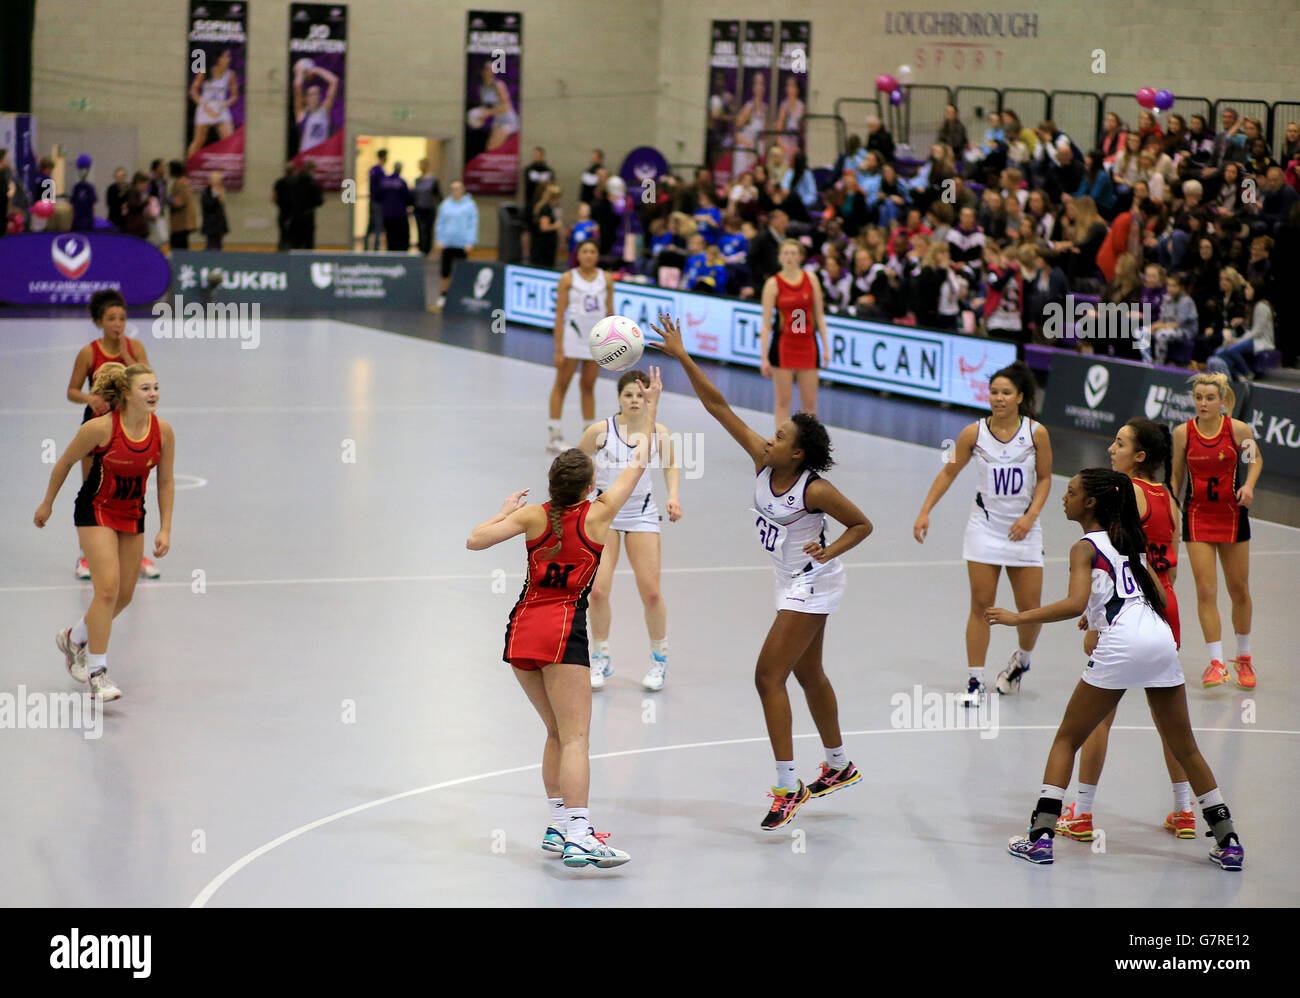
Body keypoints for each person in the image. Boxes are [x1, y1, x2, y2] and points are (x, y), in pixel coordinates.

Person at [650, 313, 873, 829]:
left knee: (767, 675)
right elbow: (717, 405)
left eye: (779, 437)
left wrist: (830, 550)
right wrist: (682, 355)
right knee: (808, 672)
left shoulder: (813, 489)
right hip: (788, 579)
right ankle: (839, 766)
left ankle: (786, 785)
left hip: (812, 581)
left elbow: (863, 524)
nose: (768, 439)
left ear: (798, 452)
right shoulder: (762, 462)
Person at [992, 469, 1243, 871]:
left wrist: (1017, 617)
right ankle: (1228, 840)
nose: (1064, 497)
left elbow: (1074, 603)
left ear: (1090, 503)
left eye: (1070, 492)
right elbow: (1158, 594)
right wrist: (1102, 608)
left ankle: (1040, 838)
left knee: (1067, 739)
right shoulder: (1132, 541)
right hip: (1159, 640)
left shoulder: (1083, 547)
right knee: (1186, 747)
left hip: (1122, 644)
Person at [465, 369, 664, 869]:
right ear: (590, 485)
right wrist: (653, 409)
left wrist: (501, 510)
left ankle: (556, 828)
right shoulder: (597, 516)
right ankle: (579, 833)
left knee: (555, 733)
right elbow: (639, 463)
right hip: (561, 634)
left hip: (521, 634)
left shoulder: (533, 515)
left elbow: (475, 540)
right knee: (575, 738)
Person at [1057, 420, 1195, 842]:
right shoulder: (1167, 496)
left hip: (1128, 604)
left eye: (1119, 443)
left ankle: (1080, 813)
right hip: (1163, 603)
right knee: (1170, 723)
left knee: (1098, 716)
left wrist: (1102, 603)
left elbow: (1116, 550)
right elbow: (1168, 562)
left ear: (1138, 456)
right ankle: (1185, 811)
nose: (1111, 448)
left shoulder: (1124, 491)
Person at [38, 360, 175, 703]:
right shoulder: (100, 428)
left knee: (125, 594)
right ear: (127, 394)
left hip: (132, 514)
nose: (153, 393)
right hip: (95, 511)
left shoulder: (164, 431)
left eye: (156, 387)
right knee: (108, 589)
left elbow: (166, 480)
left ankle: (74, 636)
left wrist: (166, 529)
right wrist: (47, 504)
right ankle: (97, 672)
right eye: (145, 388)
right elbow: (65, 462)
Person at [913, 363, 1051, 703]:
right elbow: (949, 471)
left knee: (1030, 609)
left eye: (1006, 393)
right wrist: (925, 510)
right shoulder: (973, 434)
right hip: (985, 529)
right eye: (994, 392)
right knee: (981, 605)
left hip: (1024, 530)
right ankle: (975, 681)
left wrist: (1031, 515)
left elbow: (1046, 478)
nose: (999, 399)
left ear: (1020, 397)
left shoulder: (1036, 434)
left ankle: (1021, 662)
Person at [577, 369, 682, 692]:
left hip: (642, 515)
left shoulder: (657, 432)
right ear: (619, 398)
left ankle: (659, 660)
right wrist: (582, 500)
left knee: (651, 592)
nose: (635, 400)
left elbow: (670, 465)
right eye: (629, 395)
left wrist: (674, 497)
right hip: (604, 515)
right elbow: (578, 463)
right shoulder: (600, 431)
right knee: (597, 591)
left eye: (640, 395)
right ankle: (601, 656)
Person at [1171, 372, 1261, 689]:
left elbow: (1255, 459)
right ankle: (1216, 663)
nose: (1203, 403)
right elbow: (1176, 477)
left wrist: (1248, 486)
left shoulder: (1237, 430)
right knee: (1205, 590)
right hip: (1197, 516)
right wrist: (1170, 510)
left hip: (1233, 516)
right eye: (1198, 398)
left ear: (1223, 401)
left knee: (1239, 591)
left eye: (1210, 398)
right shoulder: (1184, 433)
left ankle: (1245, 658)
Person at [66, 290, 156, 580]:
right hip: (98, 428)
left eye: (122, 318)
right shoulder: (89, 353)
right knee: (92, 493)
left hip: (130, 430)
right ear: (99, 322)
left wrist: (129, 356)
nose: (118, 324)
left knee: (132, 492)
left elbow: (148, 383)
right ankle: (85, 557)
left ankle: (135, 553)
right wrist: (90, 399)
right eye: (111, 319)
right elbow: (72, 391)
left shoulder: (136, 347)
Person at [759, 238, 829, 428]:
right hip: (784, 345)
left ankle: (810, 446)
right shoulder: (773, 284)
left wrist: (826, 347)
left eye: (793, 253)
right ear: (780, 257)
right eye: (786, 253)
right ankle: (781, 442)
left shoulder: (811, 280)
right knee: (783, 400)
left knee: (809, 404)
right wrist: (764, 357)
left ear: (800, 257)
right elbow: (766, 324)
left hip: (807, 345)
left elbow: (820, 317)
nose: (789, 257)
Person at [547, 240, 609, 452]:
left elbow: (610, 313)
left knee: (588, 385)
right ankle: (555, 435)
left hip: (596, 340)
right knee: (562, 384)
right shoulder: (568, 278)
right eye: (585, 251)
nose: (589, 255)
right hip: (573, 337)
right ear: (578, 255)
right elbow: (559, 315)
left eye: (593, 251)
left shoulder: (606, 279)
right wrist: (559, 348)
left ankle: (589, 434)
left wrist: (611, 343)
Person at [1210, 280, 1273, 380]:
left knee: (1230, 349)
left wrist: (1237, 341)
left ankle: (1247, 372)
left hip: (1261, 341)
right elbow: (1251, 328)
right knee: (1219, 352)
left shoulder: (1262, 307)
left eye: (1248, 288)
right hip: (1253, 339)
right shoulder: (1253, 306)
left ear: (1255, 291)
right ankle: (1238, 375)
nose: (1246, 291)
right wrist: (1242, 322)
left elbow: (1257, 332)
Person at [187, 49, 239, 162]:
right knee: (198, 142)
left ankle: (228, 168)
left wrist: (225, 104)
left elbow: (235, 96)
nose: (229, 59)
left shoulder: (230, 75)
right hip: (205, 107)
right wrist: (204, 105)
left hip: (221, 107)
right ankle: (189, 166)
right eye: (226, 56)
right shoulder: (205, 72)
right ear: (218, 59)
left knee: (230, 140)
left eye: (229, 57)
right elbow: (193, 91)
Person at [434, 180, 477, 307]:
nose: (455, 191)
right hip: (447, 243)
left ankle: (461, 295)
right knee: (445, 270)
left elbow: (472, 224)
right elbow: (440, 223)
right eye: (453, 188)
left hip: (462, 243)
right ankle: (443, 294)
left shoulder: (470, 205)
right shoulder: (445, 205)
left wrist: (470, 241)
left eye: (458, 188)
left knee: (462, 270)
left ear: (463, 190)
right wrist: (439, 239)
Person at [292, 60, 338, 156]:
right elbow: (297, 86)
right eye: (312, 94)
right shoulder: (302, 114)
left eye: (317, 94)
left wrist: (315, 70)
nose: (315, 97)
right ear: (306, 99)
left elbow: (334, 81)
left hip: (321, 158)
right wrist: (301, 70)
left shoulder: (324, 111)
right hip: (305, 157)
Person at [290, 161, 323, 250]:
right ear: (312, 170)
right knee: (308, 243)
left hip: (295, 215)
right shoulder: (313, 184)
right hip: (308, 215)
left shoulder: (294, 182)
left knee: (296, 242)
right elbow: (319, 201)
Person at [529, 183, 563, 268]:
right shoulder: (546, 208)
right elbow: (544, 227)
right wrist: (556, 225)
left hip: (546, 246)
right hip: (543, 247)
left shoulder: (548, 208)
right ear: (553, 198)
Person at [413, 159, 441, 256]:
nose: (421, 167)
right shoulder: (418, 180)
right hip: (419, 208)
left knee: (428, 229)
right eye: (420, 165)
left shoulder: (433, 180)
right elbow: (415, 195)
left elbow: (438, 195)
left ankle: (427, 249)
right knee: (420, 228)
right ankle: (421, 248)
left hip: (429, 208)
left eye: (423, 165)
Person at [168, 161, 197, 251]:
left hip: (181, 222)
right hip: (182, 222)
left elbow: (180, 202)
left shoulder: (180, 183)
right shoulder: (184, 181)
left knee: (178, 247)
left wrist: (167, 199)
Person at [365, 149, 388, 251]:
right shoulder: (380, 171)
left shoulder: (373, 169)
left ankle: (366, 246)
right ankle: (376, 248)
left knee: (371, 225)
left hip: (372, 200)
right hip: (378, 202)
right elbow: (381, 187)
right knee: (378, 226)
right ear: (384, 157)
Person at [201, 171, 228, 250]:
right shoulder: (207, 192)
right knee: (211, 247)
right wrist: (216, 195)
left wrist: (224, 227)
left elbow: (221, 210)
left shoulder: (220, 191)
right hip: (211, 226)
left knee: (218, 247)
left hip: (218, 226)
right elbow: (209, 206)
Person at [272, 162, 296, 251]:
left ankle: (282, 249)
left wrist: (279, 203)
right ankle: (290, 249)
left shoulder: (279, 182)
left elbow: (273, 197)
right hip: (293, 212)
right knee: (292, 234)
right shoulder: (296, 182)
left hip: (282, 210)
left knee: (283, 233)